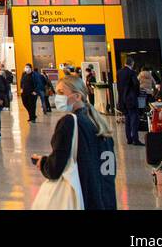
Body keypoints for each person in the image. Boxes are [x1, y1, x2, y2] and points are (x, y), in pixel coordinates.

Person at [32, 75, 117, 210]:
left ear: (77, 96)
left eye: (61, 92)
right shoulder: (100, 124)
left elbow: (55, 169)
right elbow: (109, 170)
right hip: (105, 199)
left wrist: (43, 163)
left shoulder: (69, 122)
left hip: (81, 198)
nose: (57, 97)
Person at [116, 59, 141, 146]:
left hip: (122, 99)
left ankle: (129, 139)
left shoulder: (119, 72)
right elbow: (136, 84)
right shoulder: (132, 73)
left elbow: (119, 87)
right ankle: (135, 139)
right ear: (132, 64)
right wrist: (136, 94)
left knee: (127, 119)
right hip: (131, 99)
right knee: (134, 119)